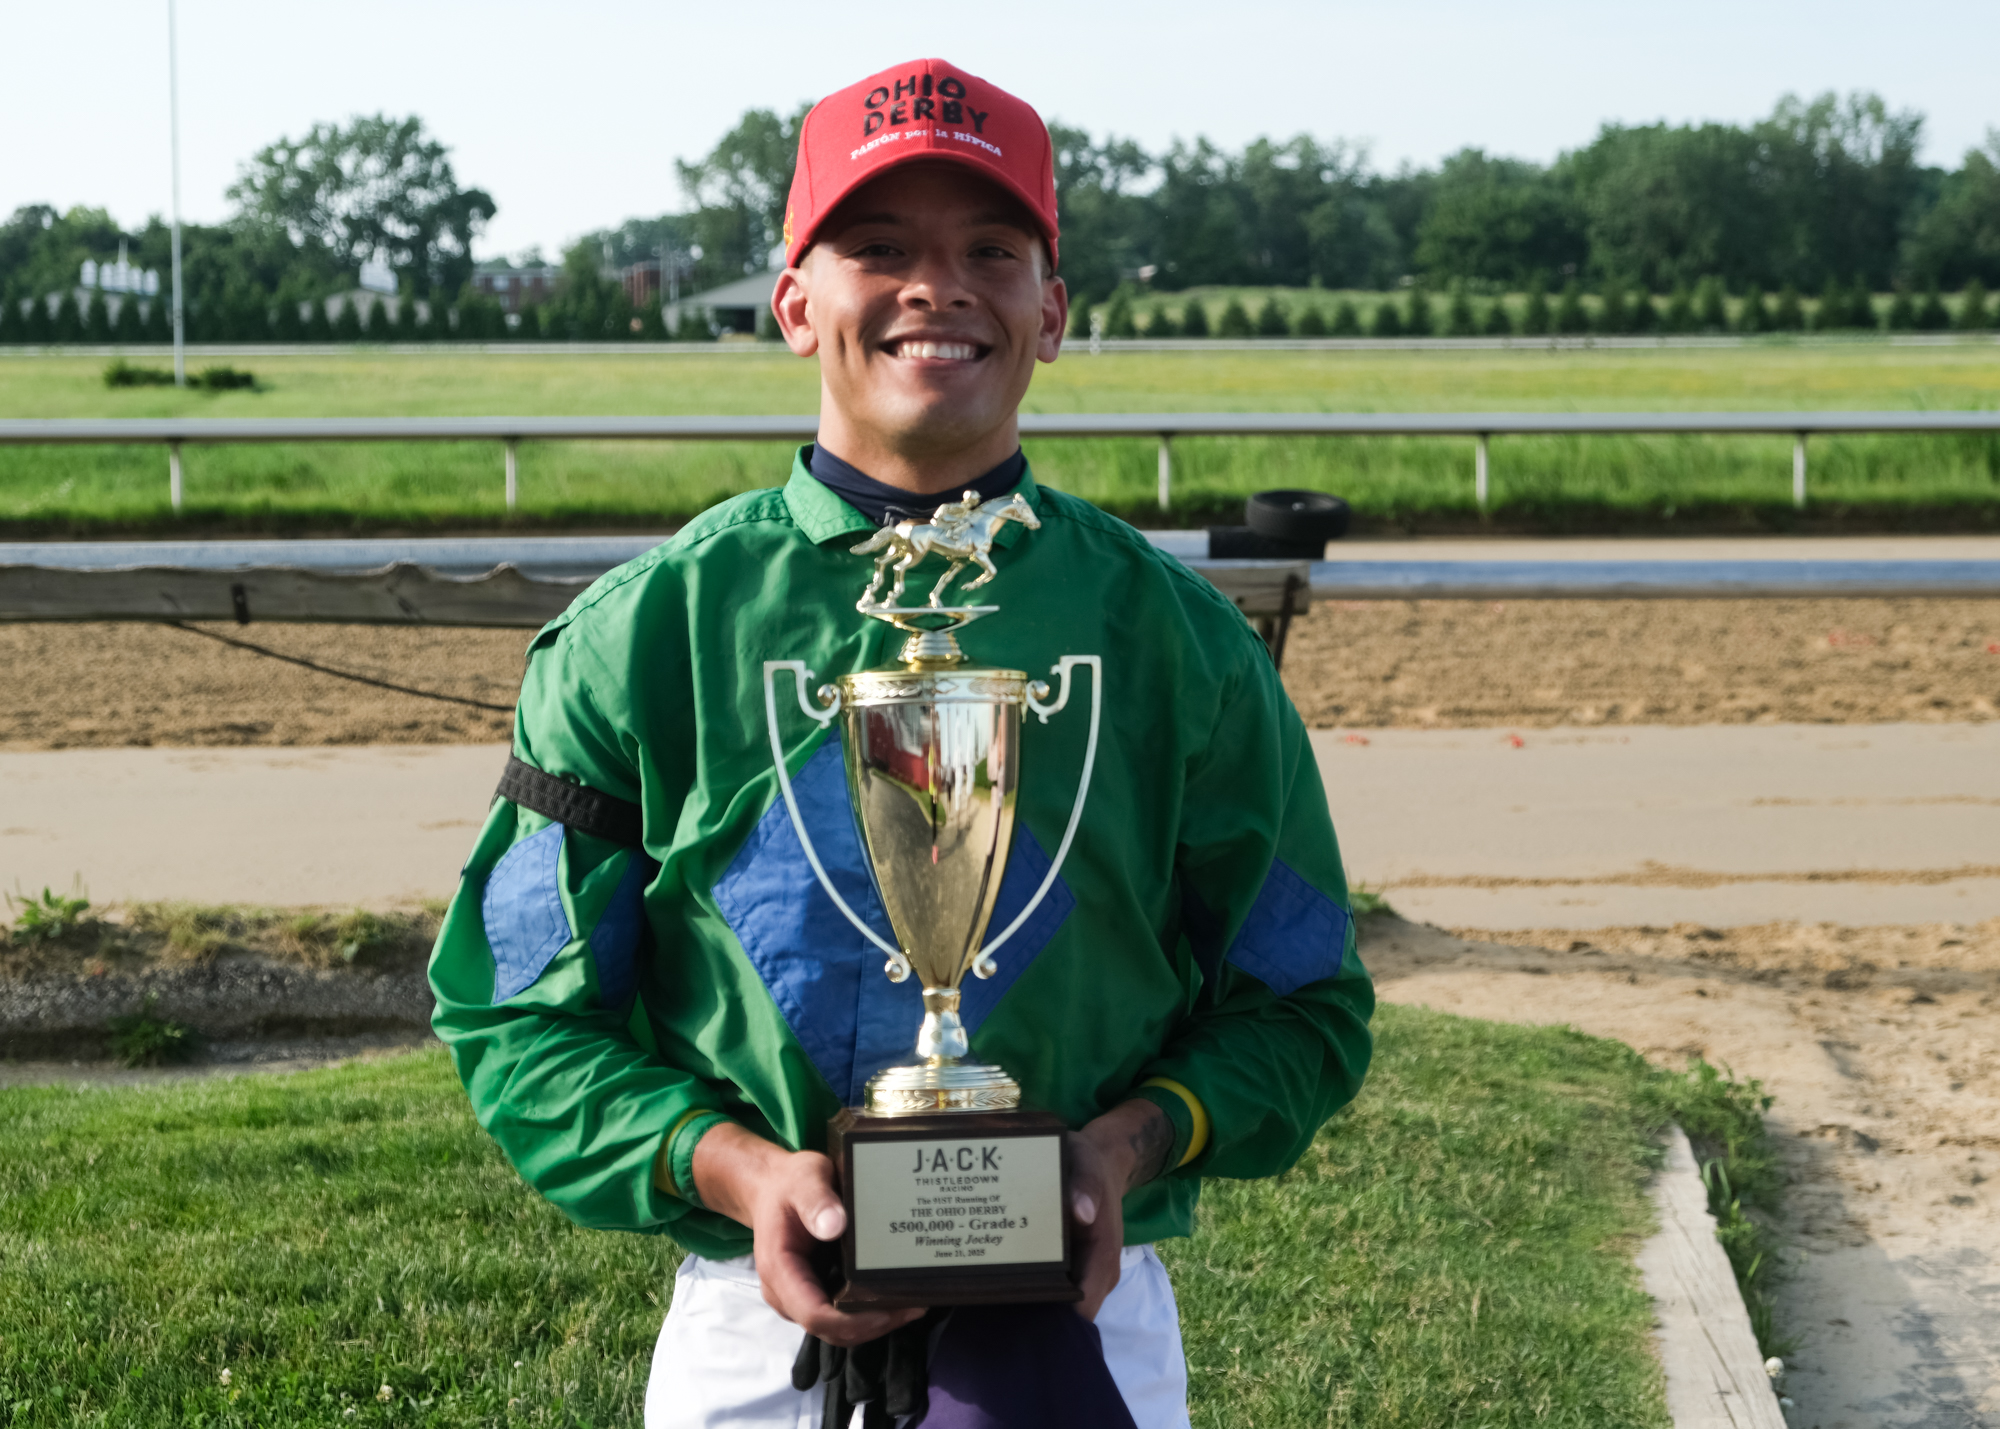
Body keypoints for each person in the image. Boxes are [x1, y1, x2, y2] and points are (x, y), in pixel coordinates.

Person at [428, 57, 1374, 1429]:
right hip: (750, 1330)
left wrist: (1123, 1147)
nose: (939, 284)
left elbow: (1307, 1002)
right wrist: (738, 1169)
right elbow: (516, 1015)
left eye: (992, 247)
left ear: (1052, 313)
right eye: (880, 247)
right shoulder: (643, 633)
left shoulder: (1182, 644)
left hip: (1088, 1326)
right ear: (794, 303)